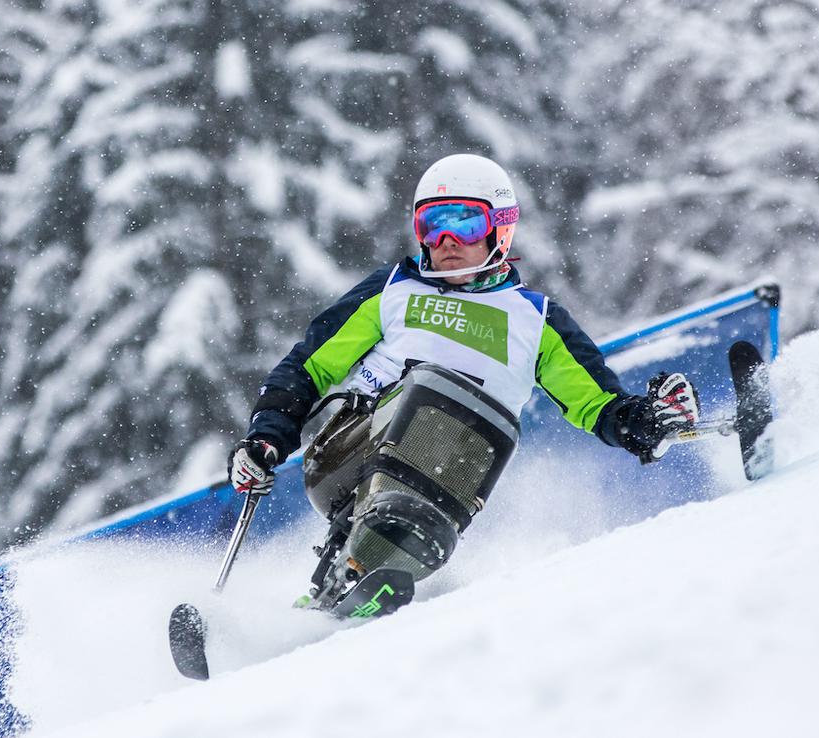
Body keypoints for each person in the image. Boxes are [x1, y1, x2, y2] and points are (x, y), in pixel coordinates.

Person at [227, 154, 699, 612]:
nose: (447, 240)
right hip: (348, 455)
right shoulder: (393, 291)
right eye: (433, 226)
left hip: (449, 488)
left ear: (500, 229)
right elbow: (309, 366)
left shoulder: (534, 321)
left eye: (466, 224)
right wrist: (266, 437)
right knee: (432, 388)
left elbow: (597, 402)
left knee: (466, 409)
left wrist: (641, 421)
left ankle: (358, 579)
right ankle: (355, 554)